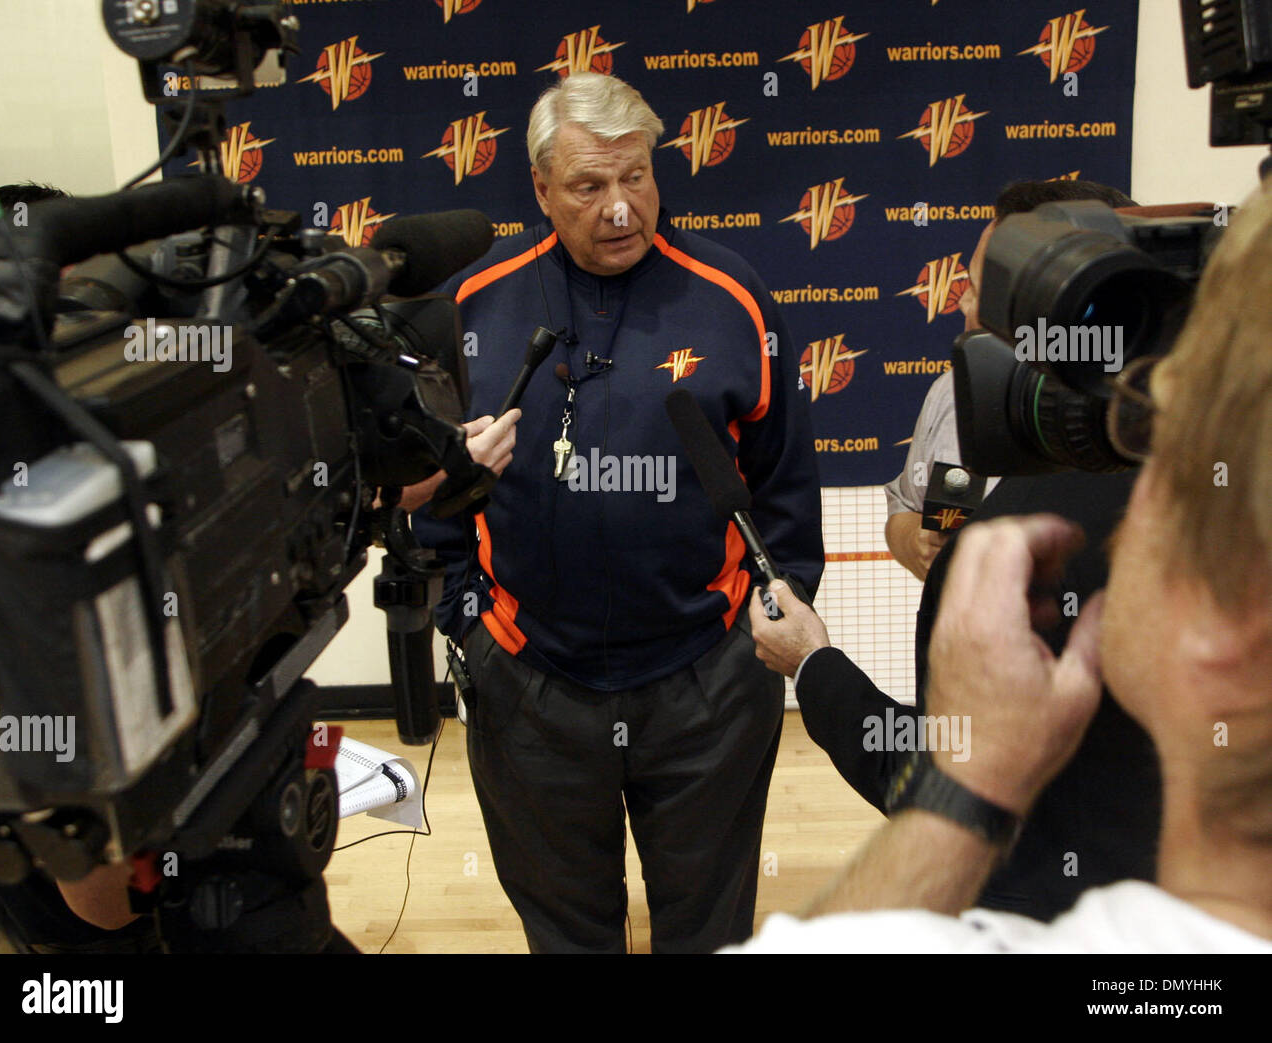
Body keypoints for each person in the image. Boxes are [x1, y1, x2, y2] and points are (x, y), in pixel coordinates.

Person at [734, 180, 1272, 952]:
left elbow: (917, 769)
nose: (965, 308)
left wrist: (816, 665)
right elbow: (907, 506)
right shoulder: (955, 404)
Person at [412, 72, 823, 953]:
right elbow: (433, 481)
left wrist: (777, 613)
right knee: (566, 934)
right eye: (589, 186)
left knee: (707, 929)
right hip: (532, 686)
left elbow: (784, 480)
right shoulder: (475, 304)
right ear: (540, 190)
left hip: (708, 683)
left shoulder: (733, 296)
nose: (622, 209)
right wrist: (463, 616)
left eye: (635, 176)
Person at [883, 179, 1135, 580]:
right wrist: (917, 542)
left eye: (979, 291)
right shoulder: (951, 391)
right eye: (966, 285)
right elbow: (904, 507)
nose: (963, 303)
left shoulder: (1150, 415)